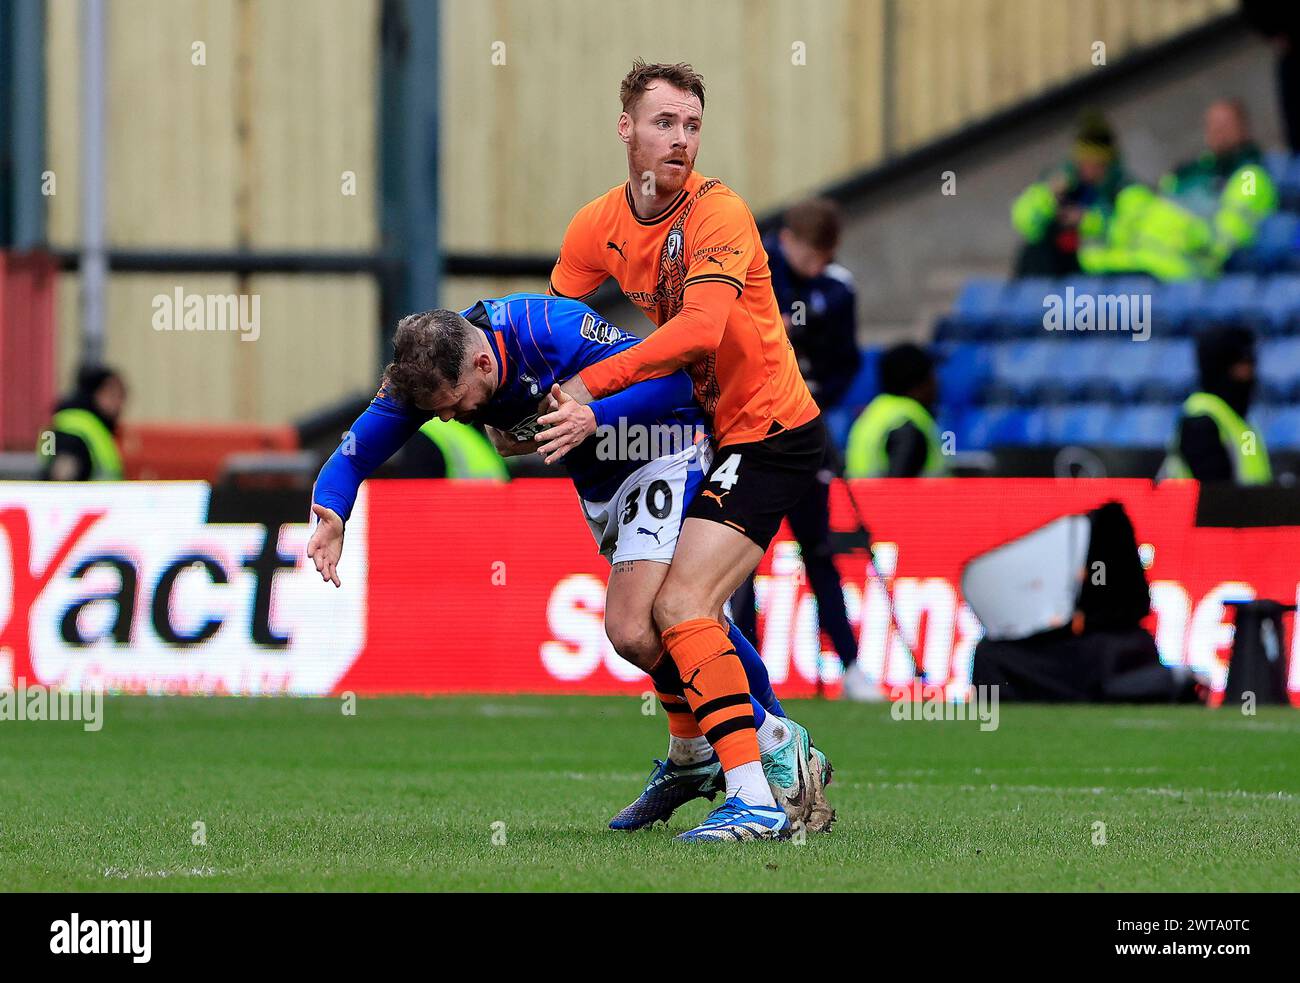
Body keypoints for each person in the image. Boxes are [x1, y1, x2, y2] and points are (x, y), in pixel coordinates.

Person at [306, 293, 831, 835]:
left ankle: (765, 745)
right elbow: (356, 449)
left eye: (454, 402)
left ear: (484, 363)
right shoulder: (426, 368)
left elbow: (675, 382)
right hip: (601, 487)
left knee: (635, 628)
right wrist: (332, 508)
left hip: (661, 455)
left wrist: (593, 415)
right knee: (695, 626)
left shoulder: (548, 329)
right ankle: (711, 750)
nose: (447, 416)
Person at [538, 60, 831, 841]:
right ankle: (712, 754)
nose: (681, 140)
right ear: (626, 129)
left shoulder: (719, 213)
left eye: (693, 125)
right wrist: (530, 398)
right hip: (713, 434)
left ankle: (762, 786)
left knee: (682, 606)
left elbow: (701, 331)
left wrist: (592, 393)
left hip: (771, 434)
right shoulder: (594, 226)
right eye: (665, 123)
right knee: (638, 625)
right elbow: (556, 331)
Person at [728, 198, 861, 693]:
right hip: (749, 431)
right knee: (741, 555)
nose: (817, 267)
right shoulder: (752, 266)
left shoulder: (838, 289)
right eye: (811, 255)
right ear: (789, 241)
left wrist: (815, 389)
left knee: (818, 548)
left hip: (804, 433)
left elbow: (845, 363)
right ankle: (745, 668)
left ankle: (850, 665)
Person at [1011, 110, 1132, 276]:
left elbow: (1124, 234)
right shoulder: (1064, 184)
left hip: (1098, 273)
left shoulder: (1122, 191)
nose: (1088, 169)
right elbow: (1024, 220)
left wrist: (1085, 220)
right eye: (1084, 162)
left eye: (1096, 164)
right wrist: (1049, 196)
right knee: (1035, 252)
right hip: (1059, 266)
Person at [1159, 99, 1278, 266]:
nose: (1218, 132)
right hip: (1172, 257)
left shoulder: (1250, 176)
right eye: (1212, 125)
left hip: (1217, 264)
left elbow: (1230, 235)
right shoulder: (1188, 173)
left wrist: (1186, 235)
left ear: (1243, 128)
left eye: (1225, 125)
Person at [1160, 326, 1272, 484]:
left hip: (1249, 508)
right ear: (1222, 368)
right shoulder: (1200, 419)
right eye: (1244, 363)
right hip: (1207, 509)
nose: (1251, 371)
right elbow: (1214, 492)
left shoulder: (1238, 419)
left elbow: (1253, 479)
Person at [845, 343, 945, 479]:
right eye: (932, 376)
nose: (937, 383)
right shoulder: (906, 425)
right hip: (887, 500)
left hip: (857, 500)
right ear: (918, 386)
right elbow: (897, 488)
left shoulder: (872, 413)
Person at [37, 365, 127, 481]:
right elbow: (61, 475)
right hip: (86, 499)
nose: (120, 403)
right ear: (97, 394)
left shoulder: (60, 421)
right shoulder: (76, 430)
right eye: (114, 395)